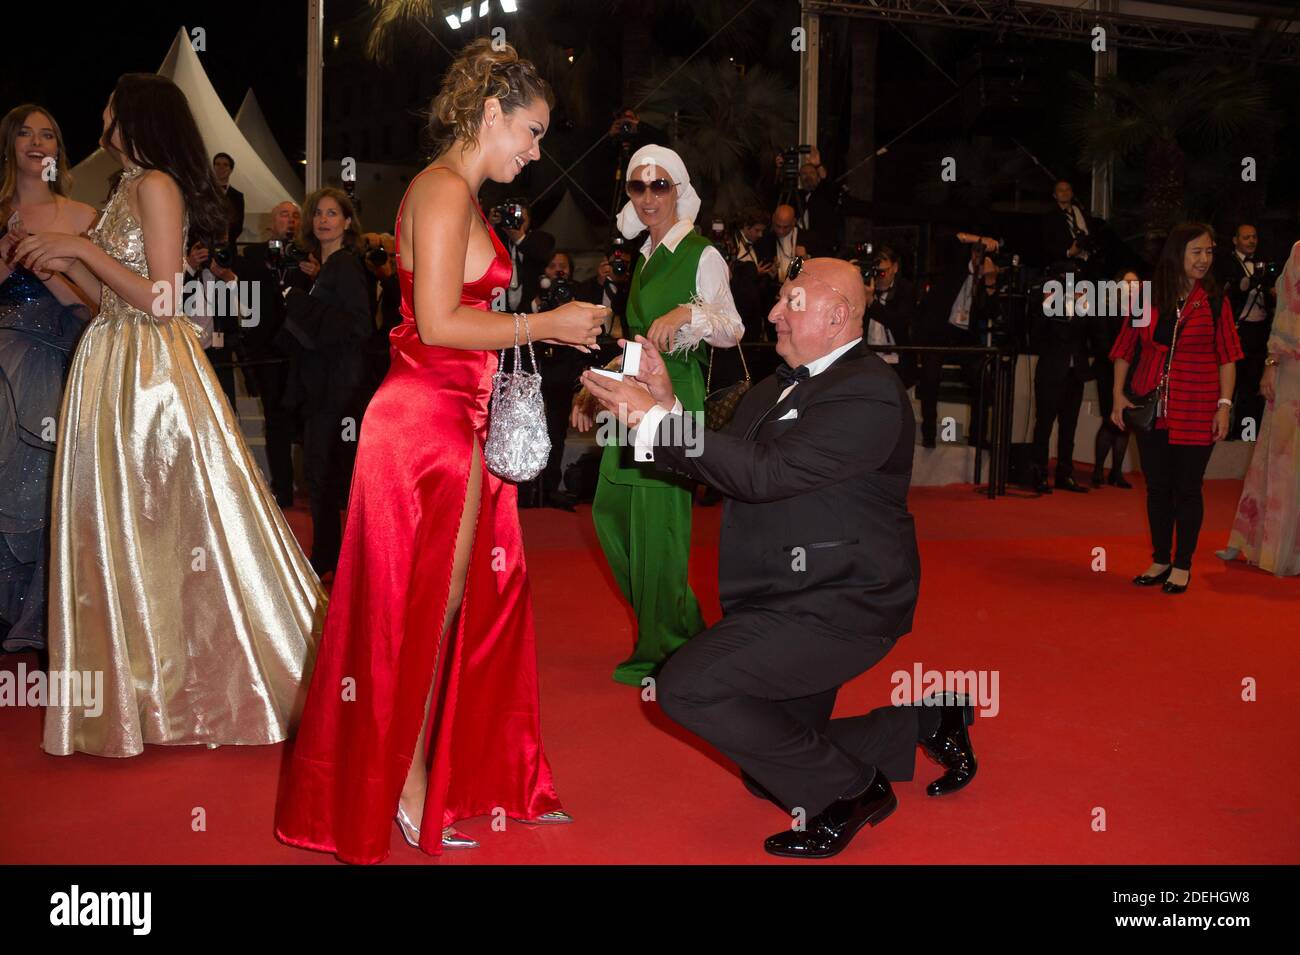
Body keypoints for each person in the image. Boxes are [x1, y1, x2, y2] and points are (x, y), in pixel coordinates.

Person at [274, 39, 608, 863]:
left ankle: (467, 773)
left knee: (468, 605)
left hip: (463, 414)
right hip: (425, 420)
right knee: (422, 610)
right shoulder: (441, 190)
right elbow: (437, 324)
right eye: (530, 132)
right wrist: (547, 324)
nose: (535, 152)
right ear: (490, 115)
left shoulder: (456, 192)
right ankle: (406, 785)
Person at [580, 257, 975, 859]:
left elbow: (770, 474)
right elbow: (723, 466)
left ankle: (852, 792)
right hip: (777, 596)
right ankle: (925, 724)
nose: (771, 313)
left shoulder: (870, 392)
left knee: (685, 688)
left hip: (842, 602)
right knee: (768, 771)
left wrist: (656, 420)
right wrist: (664, 405)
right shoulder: (774, 384)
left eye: (790, 301)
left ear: (839, 316)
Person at [15, 73, 325, 756]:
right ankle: (143, 687)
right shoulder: (124, 188)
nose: (100, 114)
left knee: (170, 522)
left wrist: (79, 247)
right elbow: (106, 297)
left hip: (151, 372)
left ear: (135, 117)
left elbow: (162, 296)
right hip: (111, 360)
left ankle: (201, 682)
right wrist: (58, 266)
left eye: (109, 105)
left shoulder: (156, 185)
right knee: (118, 526)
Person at [570, 144, 743, 686]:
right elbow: (632, 338)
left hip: (677, 397)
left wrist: (688, 312)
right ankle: (681, 626)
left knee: (661, 525)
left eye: (659, 185)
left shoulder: (702, 253)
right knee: (611, 510)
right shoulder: (643, 257)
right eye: (637, 187)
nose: (648, 197)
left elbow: (732, 328)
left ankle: (666, 648)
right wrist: (595, 390)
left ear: (678, 190)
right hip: (630, 395)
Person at [0, 104, 97, 654]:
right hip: (3, 366)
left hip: (66, 364)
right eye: (25, 133)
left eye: (49, 134)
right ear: (9, 144)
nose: (38, 142)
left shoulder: (84, 216)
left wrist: (55, 273)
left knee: (50, 490)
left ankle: (47, 618)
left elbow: (100, 308)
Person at [1111, 222, 1243, 594]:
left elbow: (1228, 358)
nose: (1204, 259)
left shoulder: (1216, 301)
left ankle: (1182, 563)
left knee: (1187, 489)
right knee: (1156, 488)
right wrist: (1118, 394)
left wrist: (1224, 406)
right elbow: (1124, 348)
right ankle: (1160, 559)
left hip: (1198, 407)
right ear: (1177, 254)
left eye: (1209, 252)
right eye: (1196, 252)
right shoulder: (1147, 298)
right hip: (1150, 406)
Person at [277, 187, 373, 577]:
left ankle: (332, 558)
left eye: (333, 213)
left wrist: (300, 303)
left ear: (347, 222)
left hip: (338, 387)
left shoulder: (345, 266)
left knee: (326, 473)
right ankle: (329, 557)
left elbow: (360, 325)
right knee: (323, 473)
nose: (323, 220)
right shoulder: (328, 267)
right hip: (325, 385)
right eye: (318, 213)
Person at [1218, 240, 1300, 575]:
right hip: (1294, 369)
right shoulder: (1298, 251)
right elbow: (1287, 313)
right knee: (1282, 455)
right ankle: (1272, 545)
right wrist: (1272, 361)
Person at [238, 200, 310, 507]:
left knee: (305, 420)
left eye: (295, 215)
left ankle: (309, 484)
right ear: (273, 220)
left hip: (301, 353)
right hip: (267, 351)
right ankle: (282, 489)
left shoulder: (307, 257)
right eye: (284, 214)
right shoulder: (253, 255)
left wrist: (314, 273)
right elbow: (243, 296)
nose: (290, 220)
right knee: (276, 421)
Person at [1214, 222, 1274, 441]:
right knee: (1232, 382)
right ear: (1235, 240)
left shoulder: (1264, 263)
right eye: (1246, 237)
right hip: (1236, 329)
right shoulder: (1225, 263)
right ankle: (1224, 430)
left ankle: (1246, 433)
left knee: (1253, 384)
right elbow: (1224, 293)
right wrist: (1245, 285)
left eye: (1254, 237)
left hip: (1260, 331)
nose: (1251, 241)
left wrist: (1266, 285)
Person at [1089, 269, 1140, 488]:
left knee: (1125, 423)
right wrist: (1122, 362)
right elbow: (1101, 343)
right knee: (1110, 421)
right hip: (1109, 371)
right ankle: (1098, 470)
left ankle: (1116, 473)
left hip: (1133, 376)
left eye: (1136, 283)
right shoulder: (1106, 308)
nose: (1132, 287)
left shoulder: (1141, 311)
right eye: (1128, 283)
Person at [212, 151, 244, 246]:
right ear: (213, 168)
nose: (221, 167)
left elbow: (239, 225)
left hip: (229, 247)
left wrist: (226, 237)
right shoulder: (204, 192)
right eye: (217, 164)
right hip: (206, 247)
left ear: (231, 170)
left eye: (225, 165)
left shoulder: (238, 196)